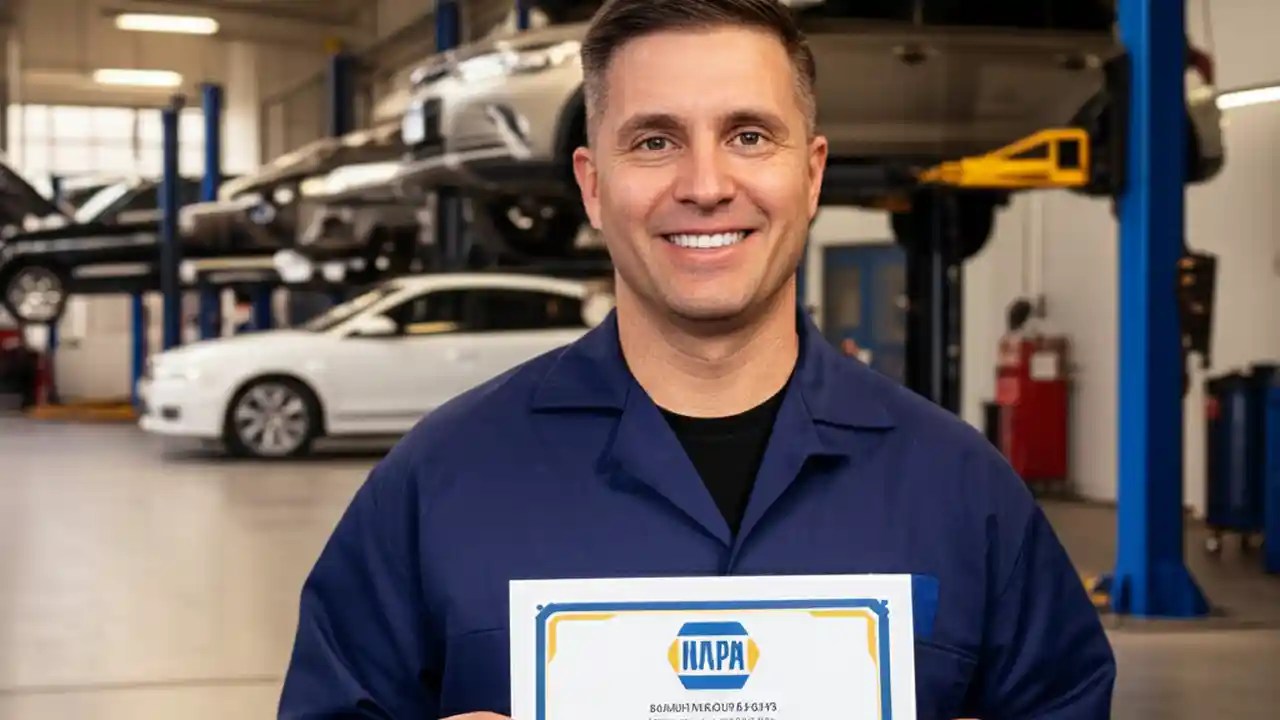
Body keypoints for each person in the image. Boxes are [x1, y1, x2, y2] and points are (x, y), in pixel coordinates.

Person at [278, 1, 1115, 718]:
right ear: (593, 184)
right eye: (653, 142)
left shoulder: (960, 491)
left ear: (812, 175)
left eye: (750, 135)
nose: (706, 183)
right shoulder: (440, 484)